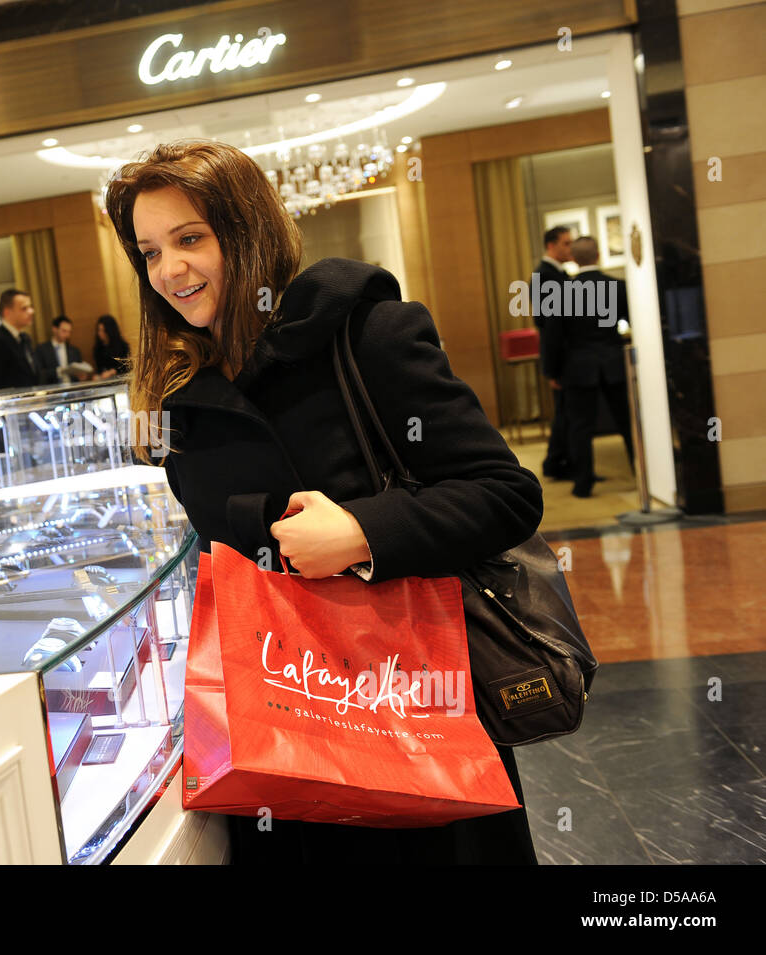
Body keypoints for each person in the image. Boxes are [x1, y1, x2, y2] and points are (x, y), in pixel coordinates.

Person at [104, 140, 543, 865]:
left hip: (407, 717)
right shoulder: (182, 391)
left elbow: (504, 492)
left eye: (190, 239)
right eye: (149, 252)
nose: (169, 270)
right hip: (277, 727)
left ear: (247, 233)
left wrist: (362, 531)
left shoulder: (363, 333)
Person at [540, 236, 635, 499]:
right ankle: (641, 472)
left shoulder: (563, 292)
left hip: (578, 366)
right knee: (627, 421)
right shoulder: (618, 287)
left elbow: (553, 337)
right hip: (614, 362)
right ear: (598, 256)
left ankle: (583, 483)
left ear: (574, 259)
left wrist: (552, 371)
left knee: (580, 427)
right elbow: (633, 321)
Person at [534, 227, 573, 480]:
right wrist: (552, 367)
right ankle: (554, 463)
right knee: (564, 413)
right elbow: (549, 326)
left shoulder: (554, 274)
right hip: (562, 357)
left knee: (567, 413)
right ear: (551, 246)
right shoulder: (546, 276)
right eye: (566, 244)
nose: (570, 248)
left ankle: (563, 461)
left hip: (565, 356)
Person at [0, 288, 39, 390]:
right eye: (24, 308)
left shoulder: (25, 338)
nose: (31, 311)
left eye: (30, 307)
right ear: (7, 312)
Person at [34, 315, 86, 384]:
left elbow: (79, 373)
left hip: (73, 389)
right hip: (51, 389)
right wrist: (59, 371)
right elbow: (39, 373)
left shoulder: (74, 351)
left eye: (69, 332)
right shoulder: (41, 349)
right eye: (64, 331)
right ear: (54, 329)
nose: (67, 335)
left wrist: (81, 375)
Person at [93, 314, 130, 379]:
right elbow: (99, 368)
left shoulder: (123, 346)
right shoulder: (98, 348)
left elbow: (127, 366)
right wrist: (97, 375)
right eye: (99, 330)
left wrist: (113, 371)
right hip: (105, 381)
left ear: (110, 331)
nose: (100, 333)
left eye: (103, 331)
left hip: (120, 379)